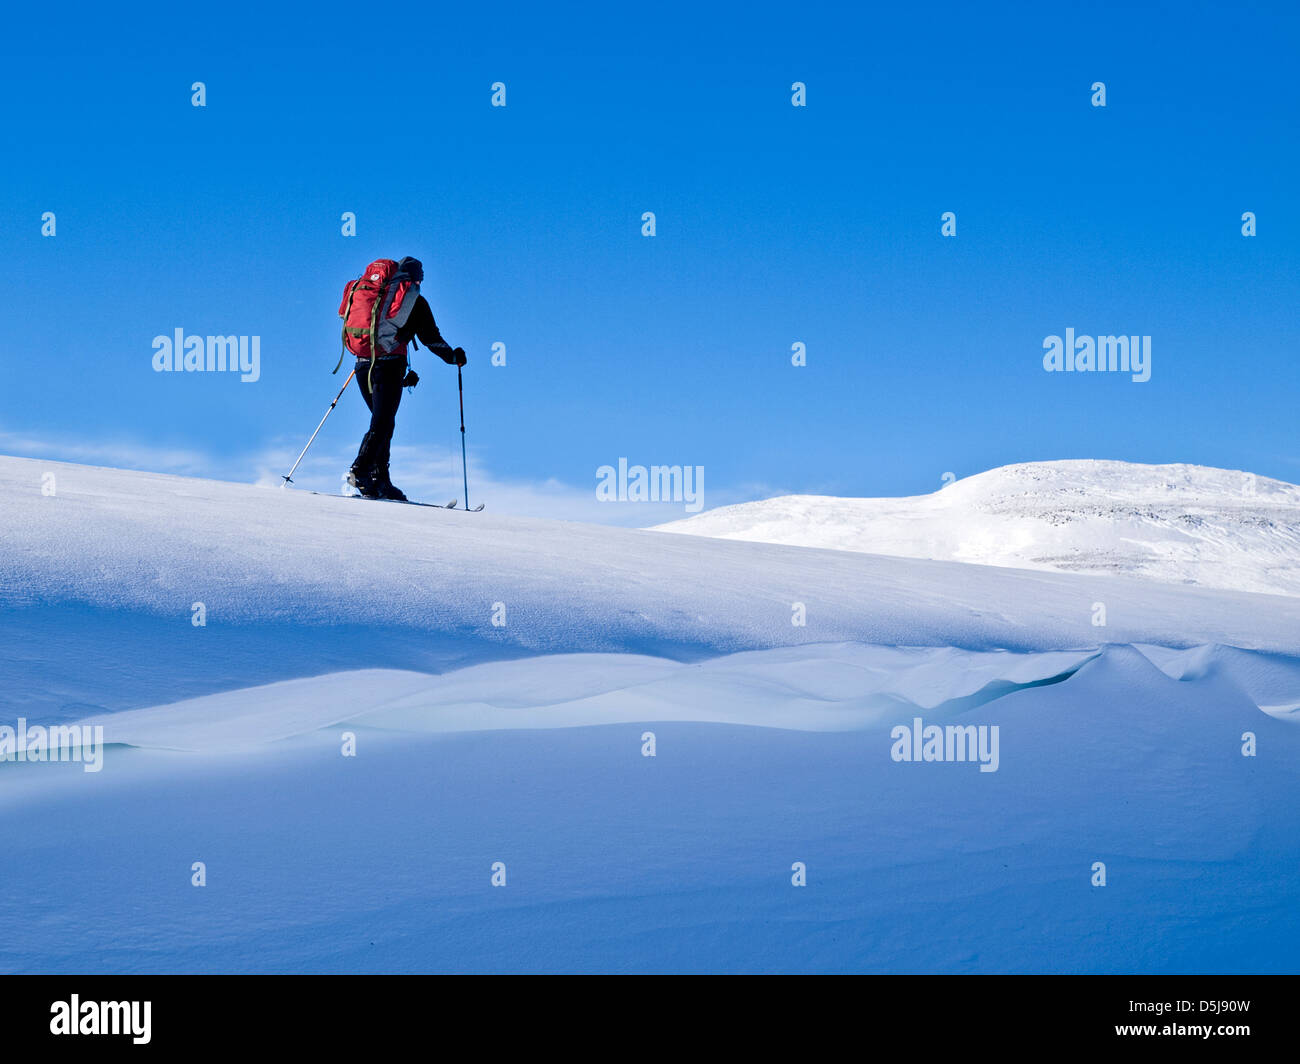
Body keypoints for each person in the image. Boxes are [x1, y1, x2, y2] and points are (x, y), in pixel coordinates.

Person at [347, 256, 466, 501]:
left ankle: (379, 482)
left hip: (361, 364)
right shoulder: (413, 300)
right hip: (388, 367)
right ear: (415, 278)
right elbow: (431, 338)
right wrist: (453, 357)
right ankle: (360, 471)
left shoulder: (373, 297)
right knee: (383, 422)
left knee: (381, 422)